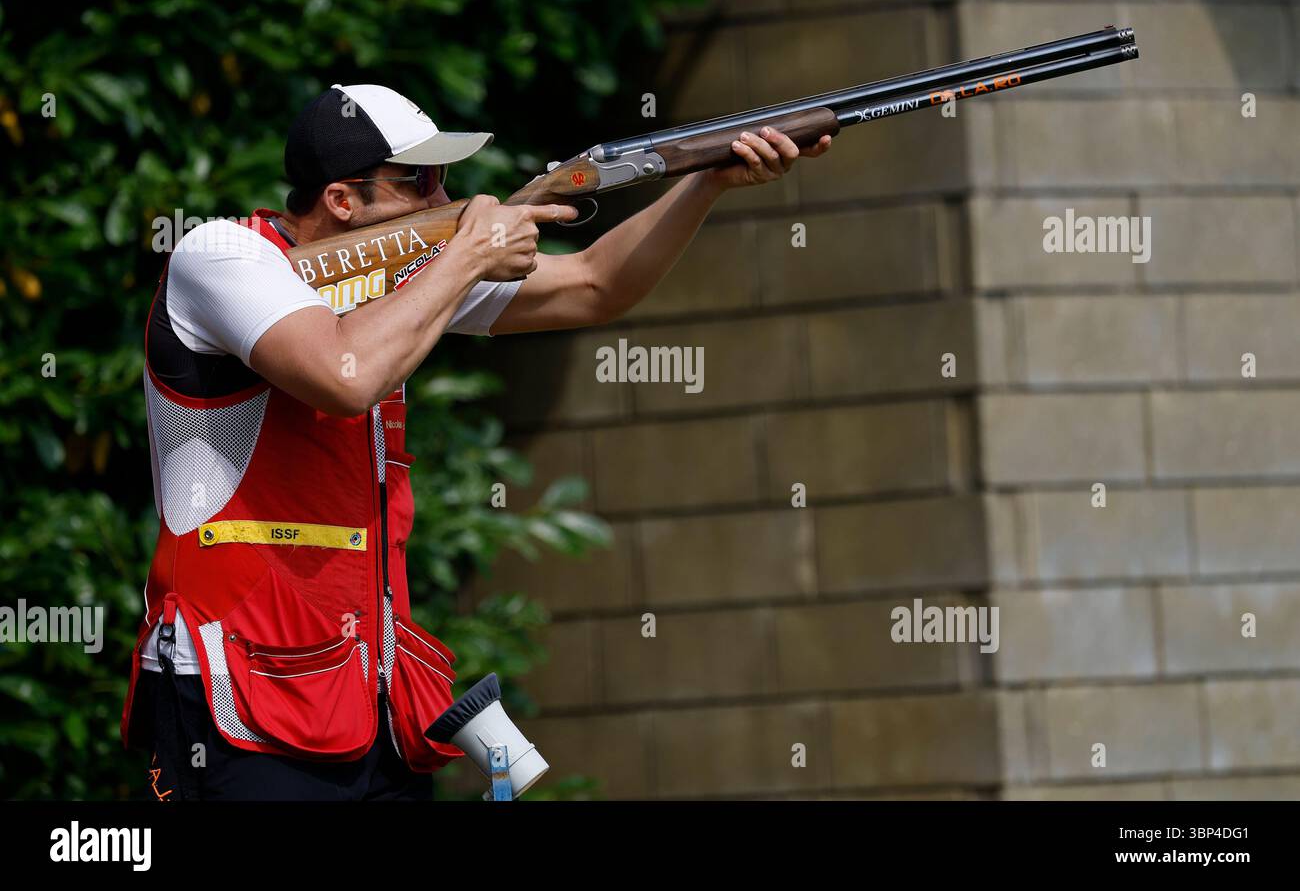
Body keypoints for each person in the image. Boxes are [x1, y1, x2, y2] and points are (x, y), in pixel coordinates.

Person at [123, 82, 831, 800]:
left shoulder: (396, 285)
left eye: (445, 181)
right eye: (417, 182)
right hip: (231, 696)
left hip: (369, 700)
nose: (443, 202)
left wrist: (704, 183)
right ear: (342, 200)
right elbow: (345, 373)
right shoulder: (221, 254)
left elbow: (595, 285)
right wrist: (465, 258)